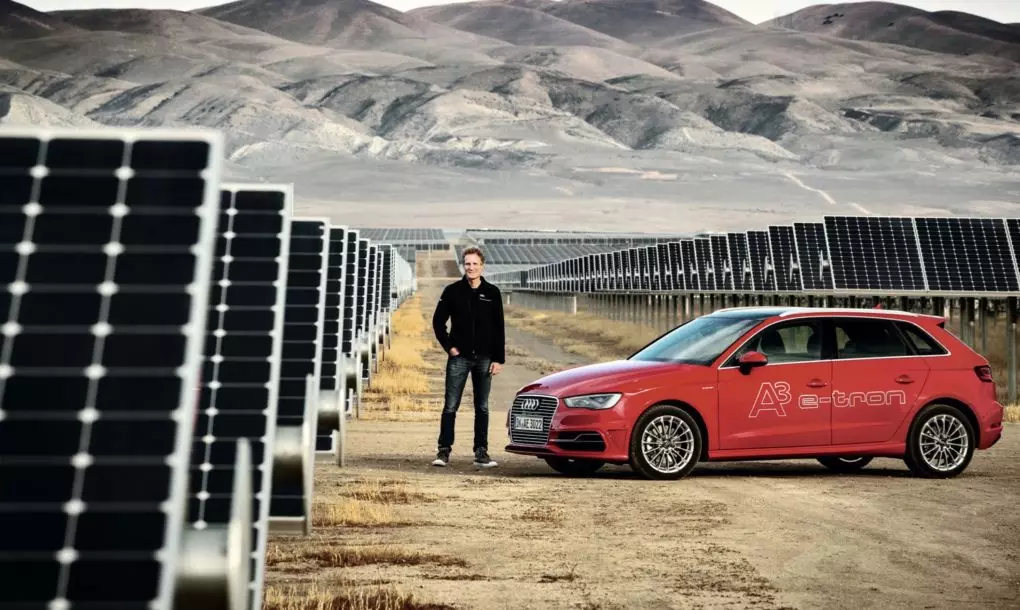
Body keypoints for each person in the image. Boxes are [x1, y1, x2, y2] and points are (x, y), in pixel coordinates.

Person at [430, 246, 505, 468]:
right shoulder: (452, 291)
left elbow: (499, 328)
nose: (471, 267)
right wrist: (450, 348)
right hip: (459, 358)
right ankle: (443, 451)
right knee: (450, 405)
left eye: (475, 263)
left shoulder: (492, 293)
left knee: (482, 406)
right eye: (468, 263)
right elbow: (437, 322)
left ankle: (481, 452)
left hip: (484, 358)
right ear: (463, 266)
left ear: (482, 266)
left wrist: (498, 359)